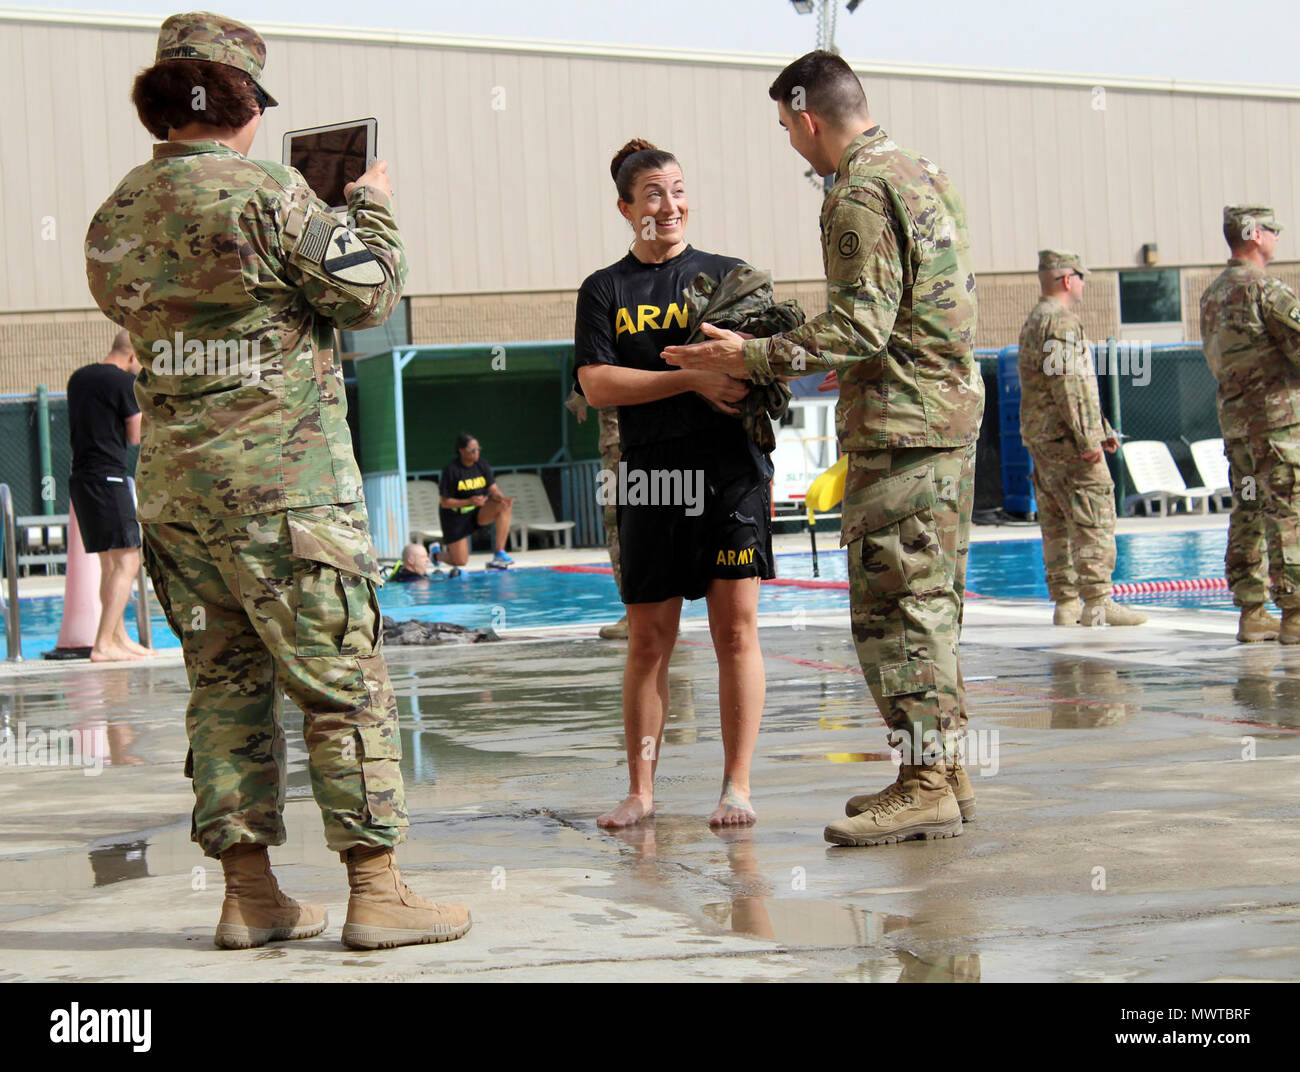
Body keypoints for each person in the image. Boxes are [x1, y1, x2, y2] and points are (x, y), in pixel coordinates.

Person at [84, 11, 469, 951]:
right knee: (342, 687)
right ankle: (376, 892)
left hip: (178, 500)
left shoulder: (113, 217)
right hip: (289, 495)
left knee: (222, 691)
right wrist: (368, 202)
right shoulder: (274, 194)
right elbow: (370, 292)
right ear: (244, 102)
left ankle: (249, 895)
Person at [664, 51, 981, 847]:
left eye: (785, 128)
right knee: (931, 603)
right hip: (940, 419)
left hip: (901, 434)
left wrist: (749, 356)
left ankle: (927, 781)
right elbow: (913, 312)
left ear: (808, 117)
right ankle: (945, 770)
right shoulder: (922, 172)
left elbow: (861, 327)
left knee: (896, 608)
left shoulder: (859, 192)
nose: (791, 145)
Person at [574, 137, 773, 829]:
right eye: (654, 193)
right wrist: (690, 376)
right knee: (649, 642)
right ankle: (641, 791)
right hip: (651, 478)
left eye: (679, 190)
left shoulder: (731, 278)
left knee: (735, 634)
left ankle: (737, 787)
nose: (670, 205)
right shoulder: (606, 289)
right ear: (626, 207)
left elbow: (772, 358)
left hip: (730, 473)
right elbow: (599, 386)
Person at [1017, 251, 1147, 629]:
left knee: (1056, 520)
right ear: (1067, 279)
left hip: (1043, 439)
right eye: (1082, 277)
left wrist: (1101, 428)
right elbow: (1069, 385)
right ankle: (1098, 601)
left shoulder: (1034, 320)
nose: (1084, 284)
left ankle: (1066, 602)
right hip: (1067, 440)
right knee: (1094, 514)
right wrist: (1090, 438)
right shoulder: (1059, 322)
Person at [1200, 205, 1300, 642]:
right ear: (1255, 234)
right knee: (1288, 512)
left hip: (1237, 427)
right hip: (1277, 426)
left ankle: (1252, 610)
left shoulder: (1211, 295)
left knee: (1247, 510)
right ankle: (1296, 614)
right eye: (1273, 230)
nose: (1277, 236)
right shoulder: (1267, 290)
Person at [66, 329, 155, 662]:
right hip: (109, 476)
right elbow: (135, 435)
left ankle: (117, 637)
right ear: (132, 356)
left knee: (111, 562)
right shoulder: (122, 383)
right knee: (130, 559)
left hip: (83, 477)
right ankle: (103, 643)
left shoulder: (79, 378)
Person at [566, 391, 628, 638]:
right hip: (650, 441)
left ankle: (638, 612)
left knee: (620, 529)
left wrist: (580, 396)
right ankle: (660, 612)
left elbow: (598, 380)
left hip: (622, 446)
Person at [433, 434, 516, 570]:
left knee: (504, 506)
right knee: (460, 561)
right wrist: (469, 501)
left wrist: (501, 498)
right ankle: (436, 555)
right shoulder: (451, 470)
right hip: (455, 517)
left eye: (478, 449)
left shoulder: (481, 464)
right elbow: (445, 502)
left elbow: (493, 489)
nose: (476, 452)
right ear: (461, 451)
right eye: (472, 450)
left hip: (477, 513)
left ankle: (499, 553)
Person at [389, 542, 458, 581]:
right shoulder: (415, 580)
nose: (428, 560)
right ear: (411, 560)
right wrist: (451, 578)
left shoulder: (401, 574)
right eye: (423, 557)